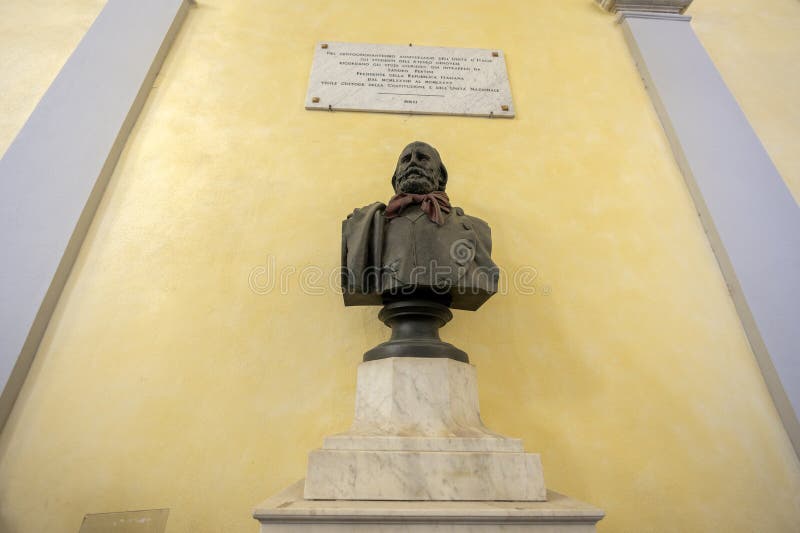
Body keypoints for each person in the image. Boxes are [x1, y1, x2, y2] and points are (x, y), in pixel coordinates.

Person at [341, 142, 498, 311]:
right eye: (406, 159)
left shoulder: (476, 229)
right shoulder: (364, 225)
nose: (413, 163)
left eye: (422, 158)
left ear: (441, 176)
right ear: (395, 179)